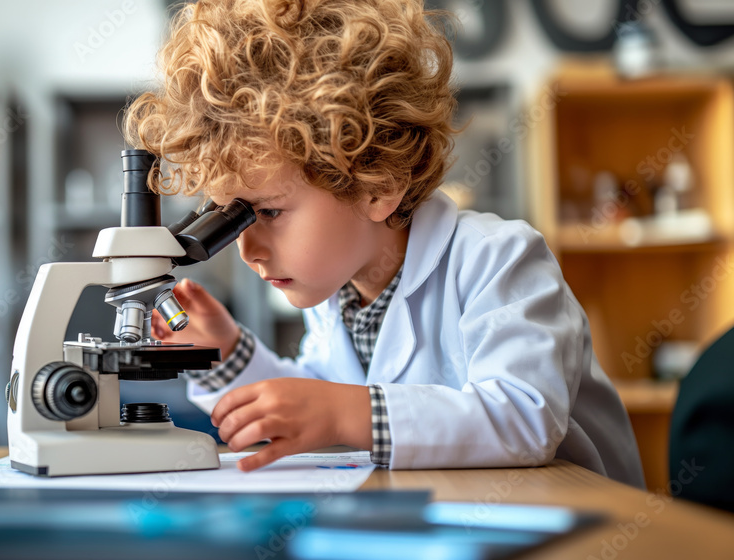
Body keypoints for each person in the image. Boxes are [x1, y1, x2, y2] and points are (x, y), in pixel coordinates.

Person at [124, 0, 644, 487]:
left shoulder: (498, 259)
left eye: (268, 212)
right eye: (230, 217)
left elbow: (525, 417)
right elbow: (309, 396)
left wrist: (346, 415)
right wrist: (228, 351)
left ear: (377, 186)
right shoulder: (339, 292)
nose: (247, 248)